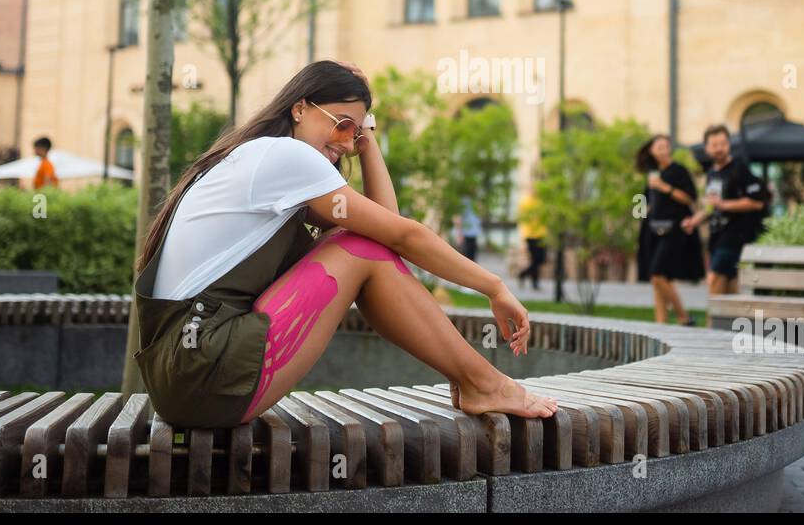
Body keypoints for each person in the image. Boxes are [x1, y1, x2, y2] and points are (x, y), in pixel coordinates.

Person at [133, 59, 558, 429]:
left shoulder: (265, 163)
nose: (346, 142)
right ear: (299, 108)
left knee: (359, 241)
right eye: (340, 124)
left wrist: (364, 135)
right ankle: (483, 384)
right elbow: (400, 234)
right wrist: (494, 287)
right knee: (359, 247)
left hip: (187, 376)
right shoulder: (285, 157)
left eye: (356, 132)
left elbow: (385, 230)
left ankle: (476, 381)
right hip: (201, 368)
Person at [682, 125, 768, 296]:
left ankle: (711, 322)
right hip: (717, 237)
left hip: (735, 236)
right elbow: (710, 206)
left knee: (714, 279)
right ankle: (728, 322)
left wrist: (723, 205)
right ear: (707, 148)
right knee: (729, 285)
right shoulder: (712, 173)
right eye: (714, 145)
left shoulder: (739, 169)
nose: (719, 148)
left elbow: (757, 203)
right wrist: (694, 221)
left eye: (723, 143)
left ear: (729, 144)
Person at [635, 134, 701, 326]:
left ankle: (683, 316)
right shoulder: (652, 174)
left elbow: (690, 198)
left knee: (657, 273)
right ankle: (661, 323)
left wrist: (665, 187)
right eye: (658, 147)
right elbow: (642, 201)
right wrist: (637, 209)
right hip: (653, 230)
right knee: (658, 278)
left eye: (665, 146)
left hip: (675, 229)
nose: (662, 150)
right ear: (652, 151)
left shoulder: (678, 171)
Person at [516, 186, 548, 292]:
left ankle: (523, 274)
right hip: (530, 235)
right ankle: (535, 283)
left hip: (541, 235)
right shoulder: (525, 203)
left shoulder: (541, 203)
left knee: (540, 260)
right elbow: (523, 220)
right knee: (535, 260)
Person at [457, 198, 482, 263]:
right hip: (467, 233)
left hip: (472, 232)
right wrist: (460, 233)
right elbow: (460, 218)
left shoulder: (474, 201)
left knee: (470, 255)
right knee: (467, 256)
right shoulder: (465, 201)